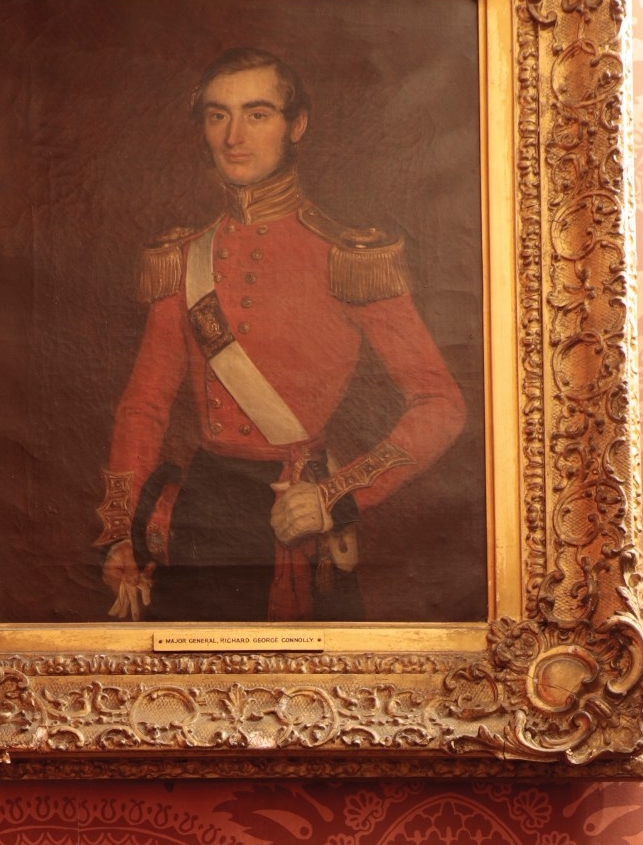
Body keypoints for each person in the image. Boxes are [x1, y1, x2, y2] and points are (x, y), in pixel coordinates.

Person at [95, 47, 465, 622]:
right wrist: (122, 534)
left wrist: (335, 497)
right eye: (218, 115)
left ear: (297, 126)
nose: (234, 136)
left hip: (296, 513)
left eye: (257, 114)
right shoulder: (182, 258)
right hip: (199, 517)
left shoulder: (348, 256)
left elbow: (440, 404)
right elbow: (143, 406)